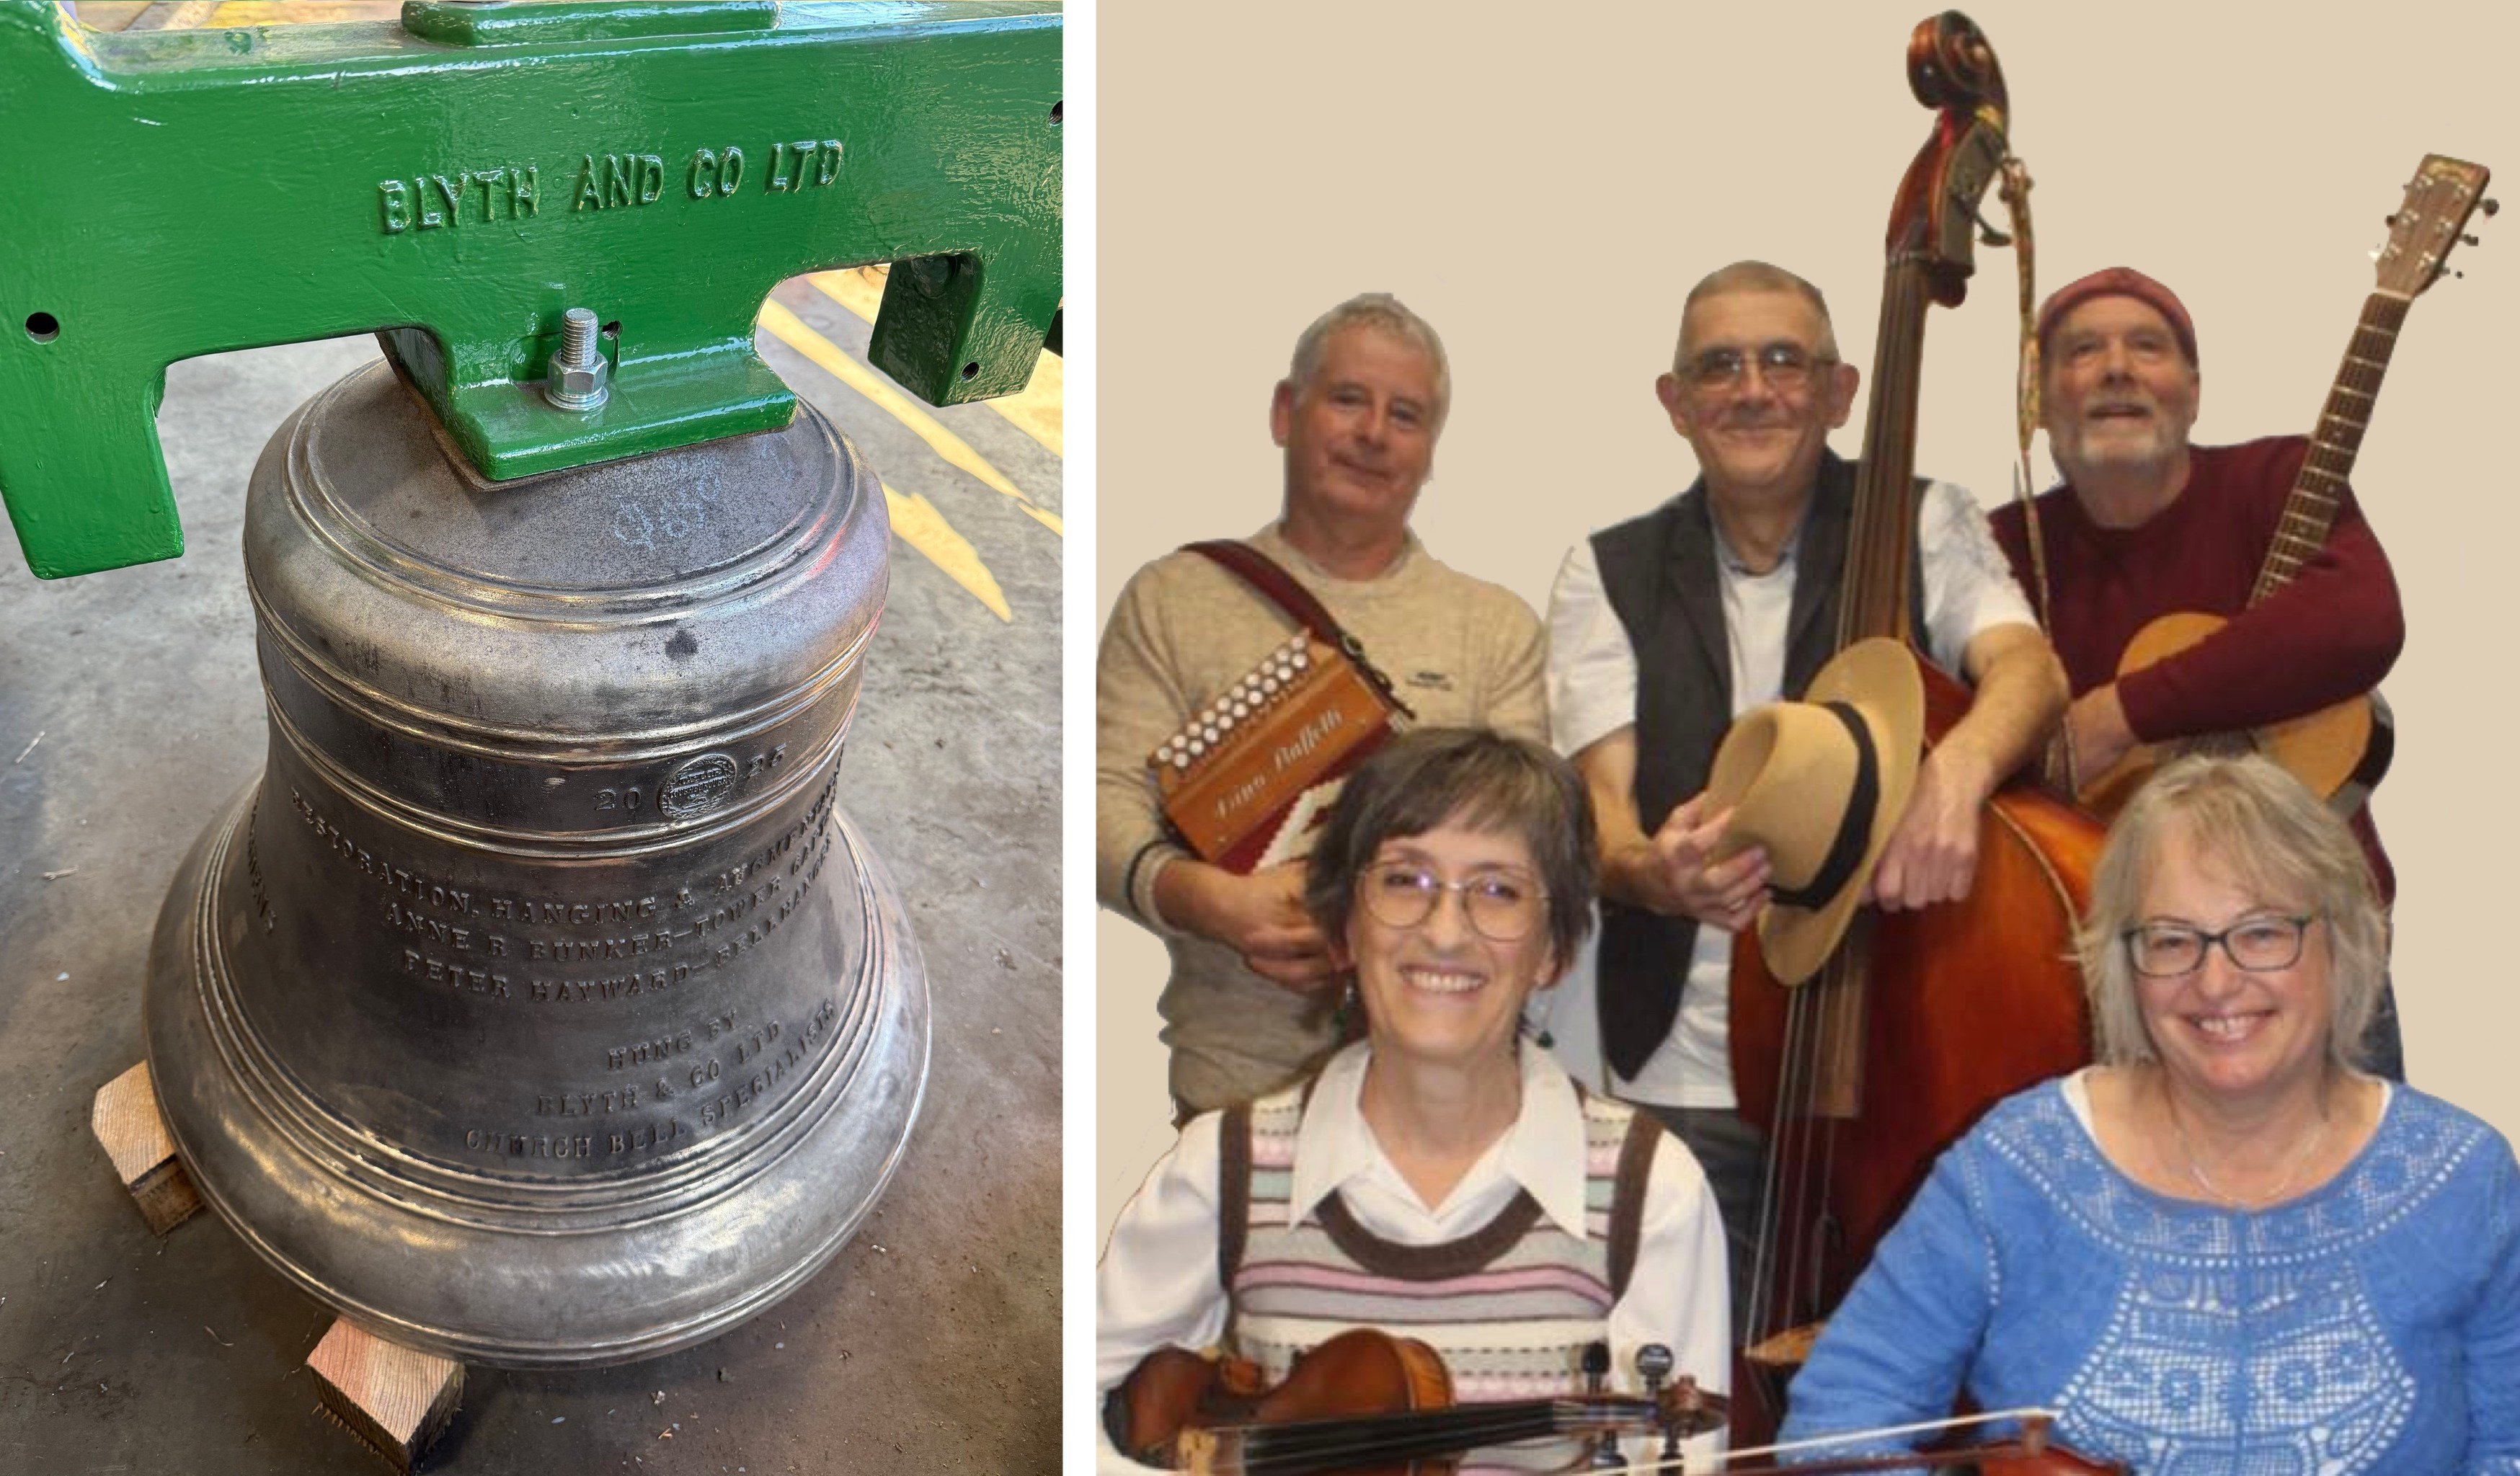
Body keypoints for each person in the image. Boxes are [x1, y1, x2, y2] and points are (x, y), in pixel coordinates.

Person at [1543, 260, 2065, 1315]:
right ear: (1675, 403)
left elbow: (2032, 671)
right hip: (1689, 1079)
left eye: (1786, 360)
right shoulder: (1604, 568)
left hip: (1907, 1049)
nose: (1753, 388)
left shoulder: (1928, 518)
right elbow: (1598, 814)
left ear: (1840, 392)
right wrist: (1653, 874)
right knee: (1707, 1390)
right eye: (1719, 366)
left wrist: (1958, 773)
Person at [1779, 753, 2520, 1473]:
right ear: (2123, 965)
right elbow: (1837, 1422)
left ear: (2343, 942)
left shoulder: (2463, 1175)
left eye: (2262, 931)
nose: (2216, 980)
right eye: (2172, 939)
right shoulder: (2014, 1165)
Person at [1095, 729, 1728, 1474]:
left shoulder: (1650, 1187)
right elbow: (1074, 1392)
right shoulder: (1225, 1163)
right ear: (1343, 928)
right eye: (1404, 880)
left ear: (1552, 950)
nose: (1445, 931)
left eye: (1497, 890)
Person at [1099, 293, 1549, 1116]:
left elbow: (1531, 850)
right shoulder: (1172, 597)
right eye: (1348, 398)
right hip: (1237, 1091)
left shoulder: (1498, 628)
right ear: (1284, 411)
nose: (1374, 432)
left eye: (1405, 414)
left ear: (1430, 449)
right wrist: (1205, 899)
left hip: (1444, 1105)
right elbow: (1103, 802)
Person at [1989, 266, 2407, 1077]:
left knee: (2359, 1196)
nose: (2116, 367)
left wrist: (2120, 712)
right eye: (2081, 351)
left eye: (2146, 347)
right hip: (2110, 957)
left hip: (2313, 942)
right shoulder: (1997, 548)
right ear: (2036, 401)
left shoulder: (2277, 483)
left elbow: (2359, 619)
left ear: (2192, 391)